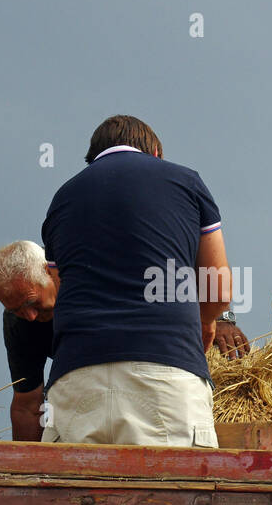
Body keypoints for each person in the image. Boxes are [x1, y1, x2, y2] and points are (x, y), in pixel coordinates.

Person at [37, 114, 232, 446]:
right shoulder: (186, 182)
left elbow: (56, 290)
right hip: (166, 374)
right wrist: (208, 320)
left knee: (72, 497)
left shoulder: (61, 199)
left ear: (92, 158)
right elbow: (218, 288)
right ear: (155, 152)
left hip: (77, 378)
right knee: (173, 496)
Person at [0, 240, 249, 442]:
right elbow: (27, 405)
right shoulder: (20, 322)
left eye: (31, 302)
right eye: (16, 309)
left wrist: (219, 315)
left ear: (51, 271)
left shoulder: (95, 261)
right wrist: (24, 471)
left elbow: (177, 262)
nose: (29, 316)